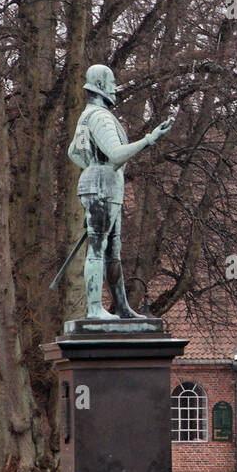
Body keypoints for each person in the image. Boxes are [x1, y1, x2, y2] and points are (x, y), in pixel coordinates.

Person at [68, 64, 174, 320]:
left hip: (99, 185)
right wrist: (149, 139)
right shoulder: (100, 117)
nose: (115, 87)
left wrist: (91, 167)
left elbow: (74, 152)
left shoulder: (86, 115)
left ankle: (122, 307)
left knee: (111, 250)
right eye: (112, 82)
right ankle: (95, 309)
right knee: (98, 247)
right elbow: (116, 155)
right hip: (103, 187)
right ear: (102, 86)